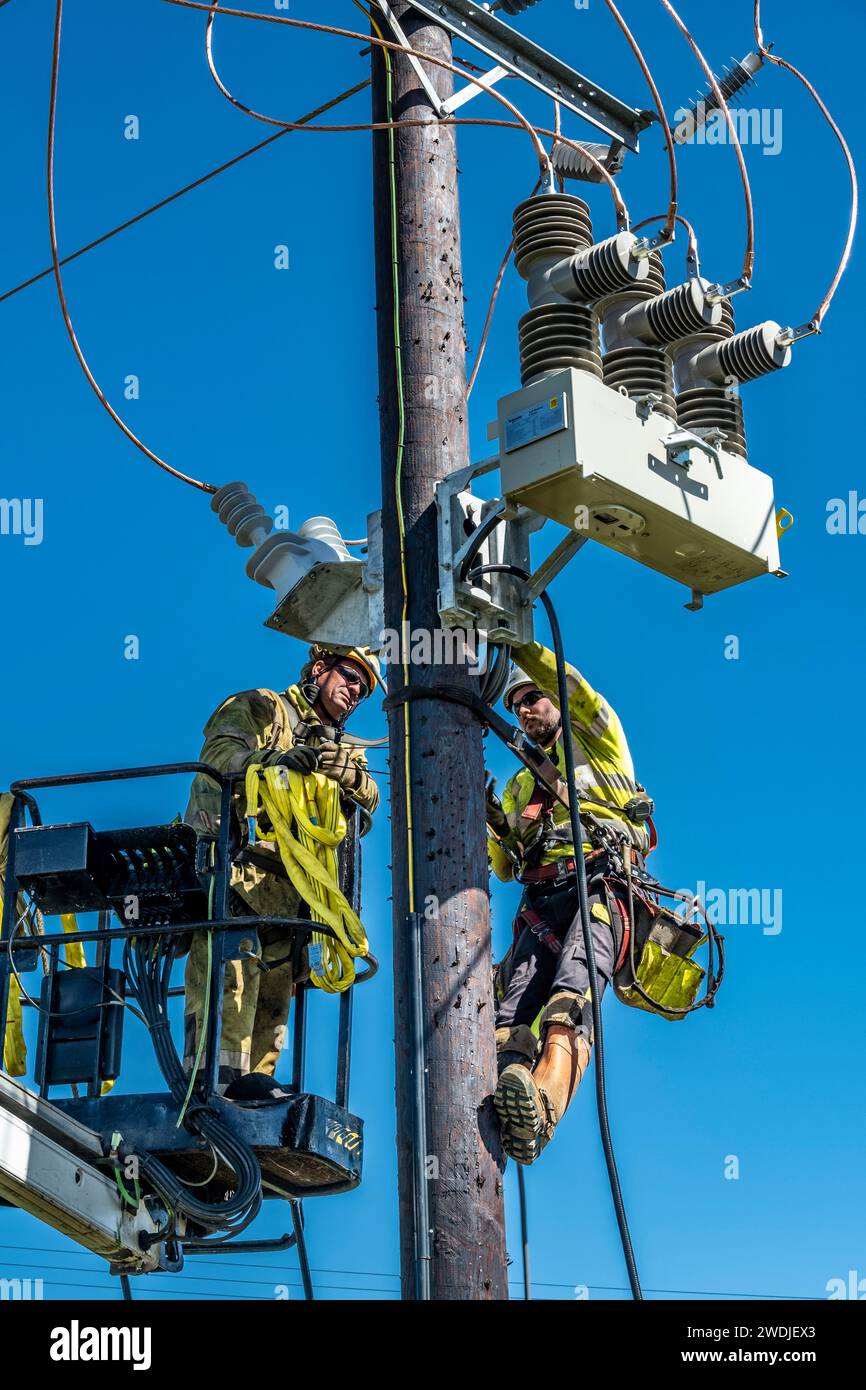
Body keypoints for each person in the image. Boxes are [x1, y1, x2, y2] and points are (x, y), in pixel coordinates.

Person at [183, 645, 380, 1102]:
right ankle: (210, 1096)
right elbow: (219, 756)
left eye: (364, 689)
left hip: (292, 900)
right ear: (319, 669)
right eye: (351, 676)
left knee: (272, 1009)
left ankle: (255, 1102)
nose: (355, 691)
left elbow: (368, 799)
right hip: (234, 877)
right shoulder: (263, 707)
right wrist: (271, 764)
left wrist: (345, 775)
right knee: (228, 991)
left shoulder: (342, 745)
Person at [486, 641, 651, 1163]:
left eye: (533, 697)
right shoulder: (519, 784)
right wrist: (496, 823)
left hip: (600, 885)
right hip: (541, 899)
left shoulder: (599, 746)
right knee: (506, 1012)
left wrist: (514, 639)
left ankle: (544, 1106)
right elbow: (505, 865)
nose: (524, 710)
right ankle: (505, 1092)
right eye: (515, 706)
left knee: (570, 996)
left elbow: (578, 692)